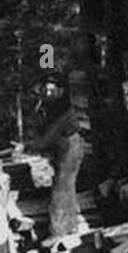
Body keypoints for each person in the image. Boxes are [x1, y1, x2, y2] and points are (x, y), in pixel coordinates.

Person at [23, 75, 85, 241]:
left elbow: (47, 138)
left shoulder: (63, 111)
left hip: (70, 149)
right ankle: (71, 226)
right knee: (67, 188)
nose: (47, 93)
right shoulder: (52, 106)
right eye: (45, 90)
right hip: (68, 147)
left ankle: (57, 233)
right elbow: (45, 130)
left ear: (60, 91)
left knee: (60, 189)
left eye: (51, 90)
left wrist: (28, 146)